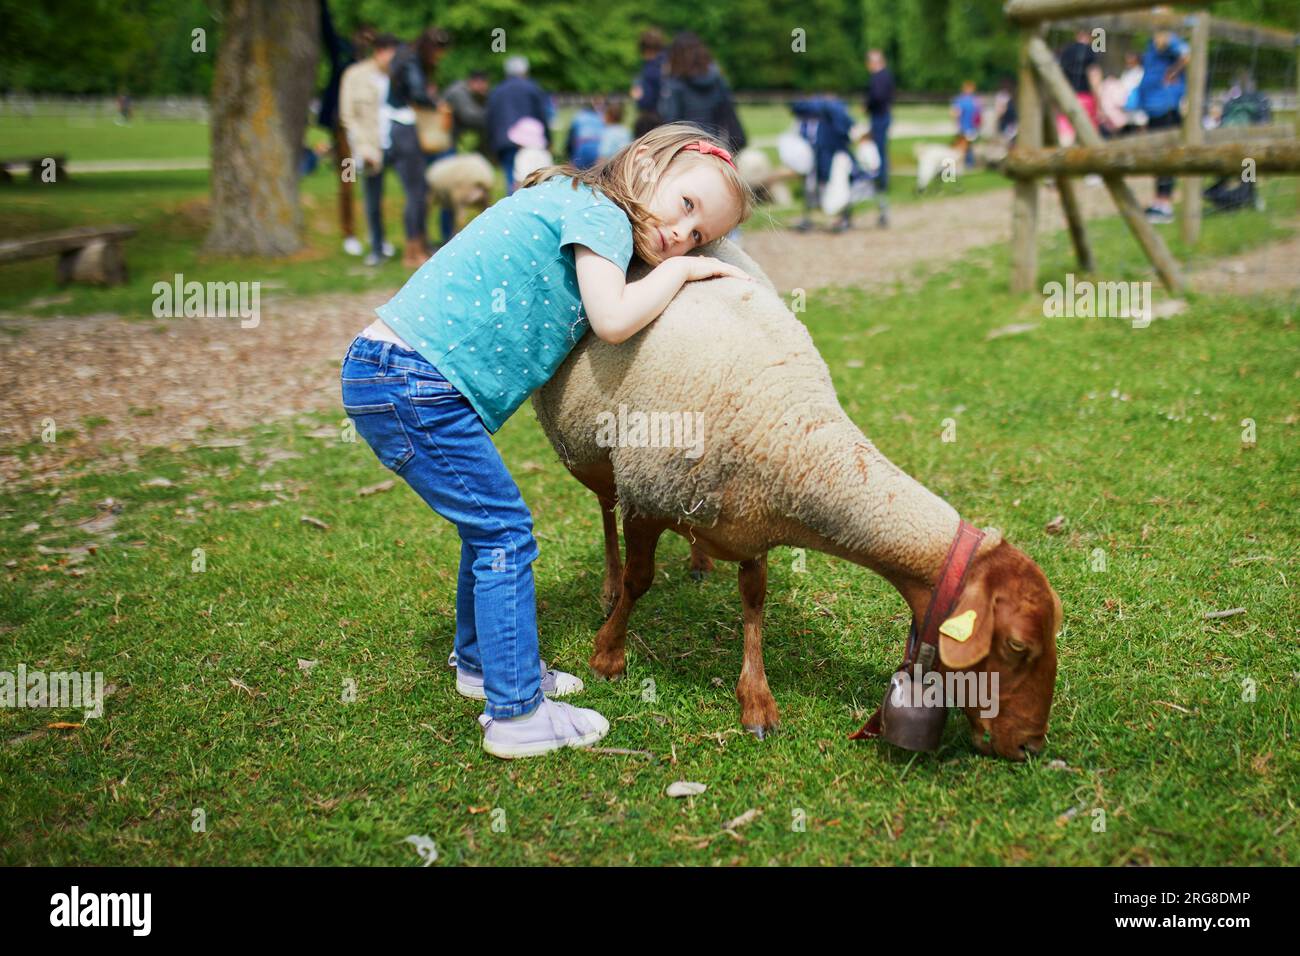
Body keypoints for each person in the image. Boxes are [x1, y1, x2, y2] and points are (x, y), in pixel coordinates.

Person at [339, 122, 756, 759]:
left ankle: (480, 667)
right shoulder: (604, 217)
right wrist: (687, 273)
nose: (681, 235)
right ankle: (516, 716)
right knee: (507, 533)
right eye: (686, 206)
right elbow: (612, 319)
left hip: (394, 373)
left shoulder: (572, 197)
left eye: (699, 235)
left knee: (486, 529)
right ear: (644, 161)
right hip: (412, 381)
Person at [386, 27, 451, 267]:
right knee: (416, 194)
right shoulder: (412, 60)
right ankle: (412, 251)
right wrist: (436, 103)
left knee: (419, 192)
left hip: (401, 129)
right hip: (406, 130)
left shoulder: (404, 56)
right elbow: (417, 93)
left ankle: (419, 246)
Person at [341, 32, 398, 266]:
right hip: (371, 146)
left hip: (398, 141)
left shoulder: (397, 74)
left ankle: (418, 245)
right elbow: (348, 115)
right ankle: (376, 246)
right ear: (380, 51)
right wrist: (362, 147)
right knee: (372, 199)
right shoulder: (355, 75)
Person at [318, 2, 363, 256]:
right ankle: (349, 232)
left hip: (369, 129)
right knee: (348, 179)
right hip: (344, 127)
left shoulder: (372, 65)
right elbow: (328, 31)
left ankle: (376, 239)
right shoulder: (342, 55)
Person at [1133, 29, 1190, 223]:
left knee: (1166, 155)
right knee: (1158, 157)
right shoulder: (1152, 42)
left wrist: (1172, 72)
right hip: (1154, 107)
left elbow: (1187, 55)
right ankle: (1158, 202)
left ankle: (1165, 204)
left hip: (1165, 105)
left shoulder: (1170, 39)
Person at [657, 32, 746, 154]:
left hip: (686, 148)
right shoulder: (717, 79)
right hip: (714, 145)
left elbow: (670, 120)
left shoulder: (675, 83)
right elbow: (728, 112)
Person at [485, 55, 551, 195]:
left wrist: (491, 146)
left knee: (512, 181)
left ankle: (512, 210)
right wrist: (548, 140)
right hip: (531, 143)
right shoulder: (533, 88)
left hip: (504, 142)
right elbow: (542, 115)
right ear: (525, 71)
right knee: (534, 182)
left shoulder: (497, 91)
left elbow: (490, 119)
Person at [863, 49, 894, 227]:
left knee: (879, 149)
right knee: (881, 149)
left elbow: (877, 96)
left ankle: (880, 182)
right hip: (883, 115)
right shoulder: (886, 76)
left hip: (880, 117)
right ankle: (881, 179)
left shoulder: (879, 77)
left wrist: (867, 106)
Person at [1058, 28, 1103, 131]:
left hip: (1066, 97)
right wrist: (1099, 105)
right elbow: (1094, 80)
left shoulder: (1066, 51)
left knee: (1066, 134)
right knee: (1087, 134)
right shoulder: (1091, 53)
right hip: (1085, 99)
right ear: (1091, 35)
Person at [442, 70, 490, 154]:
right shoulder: (458, 92)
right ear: (476, 82)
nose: (486, 88)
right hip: (444, 139)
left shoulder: (467, 92)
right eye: (484, 84)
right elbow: (470, 117)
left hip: (449, 138)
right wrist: (493, 117)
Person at [630, 28, 667, 130]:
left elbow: (645, 102)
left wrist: (637, 96)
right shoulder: (669, 62)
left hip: (655, 121)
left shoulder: (650, 69)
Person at [566, 98, 606, 170]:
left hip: (582, 147)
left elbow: (571, 138)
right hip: (599, 149)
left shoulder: (579, 116)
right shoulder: (602, 116)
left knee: (575, 172)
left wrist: (569, 154)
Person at [951, 80, 981, 168]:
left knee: (964, 146)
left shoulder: (960, 100)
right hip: (972, 127)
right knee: (968, 146)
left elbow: (955, 113)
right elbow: (979, 115)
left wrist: (955, 122)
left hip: (964, 127)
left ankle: (965, 164)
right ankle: (969, 164)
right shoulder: (976, 100)